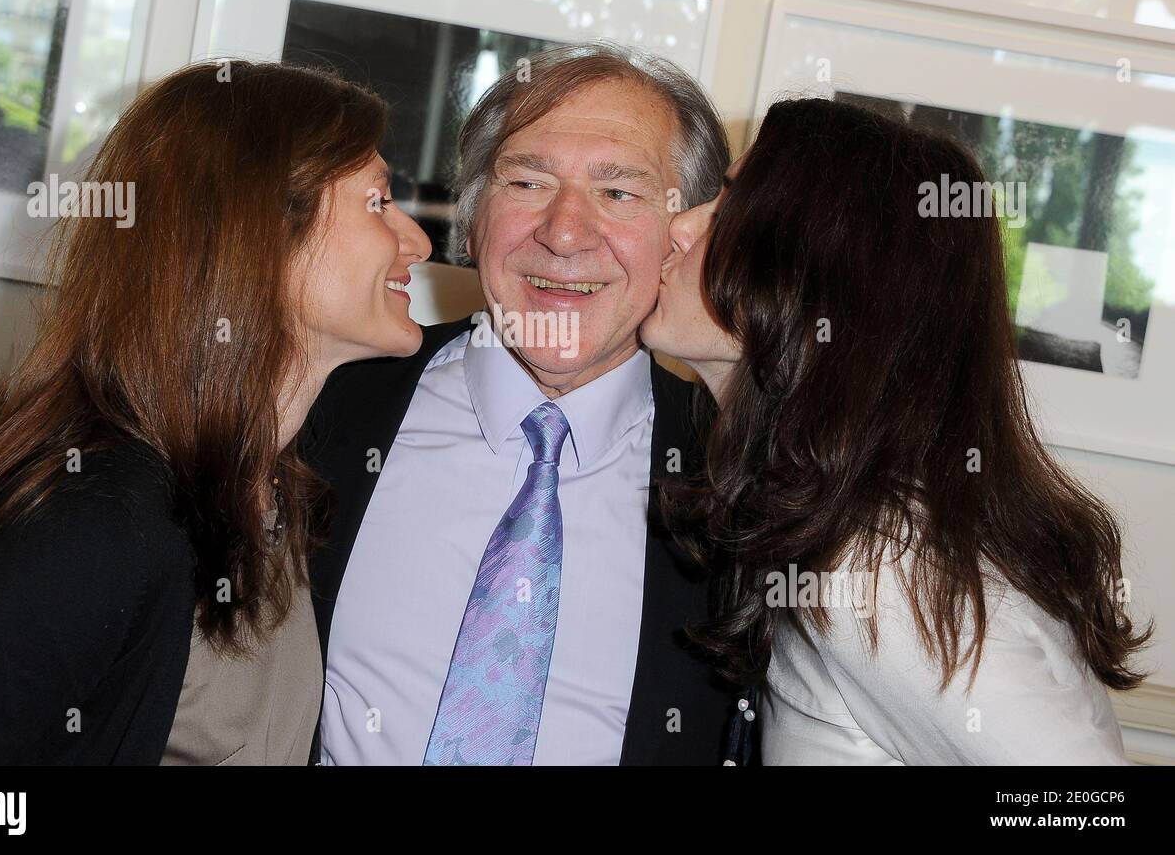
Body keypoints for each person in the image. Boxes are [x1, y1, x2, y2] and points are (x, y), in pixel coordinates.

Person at [0, 60, 431, 764]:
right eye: (379, 203)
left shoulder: (281, 491)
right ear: (260, 236)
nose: (416, 241)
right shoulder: (100, 521)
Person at [640, 97, 1150, 764]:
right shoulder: (837, 521)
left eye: (727, 208)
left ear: (815, 277)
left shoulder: (879, 572)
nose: (679, 227)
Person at [300, 42, 742, 765]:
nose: (564, 232)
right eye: (529, 182)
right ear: (472, 222)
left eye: (619, 193)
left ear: (682, 237)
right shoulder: (323, 403)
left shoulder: (743, 480)